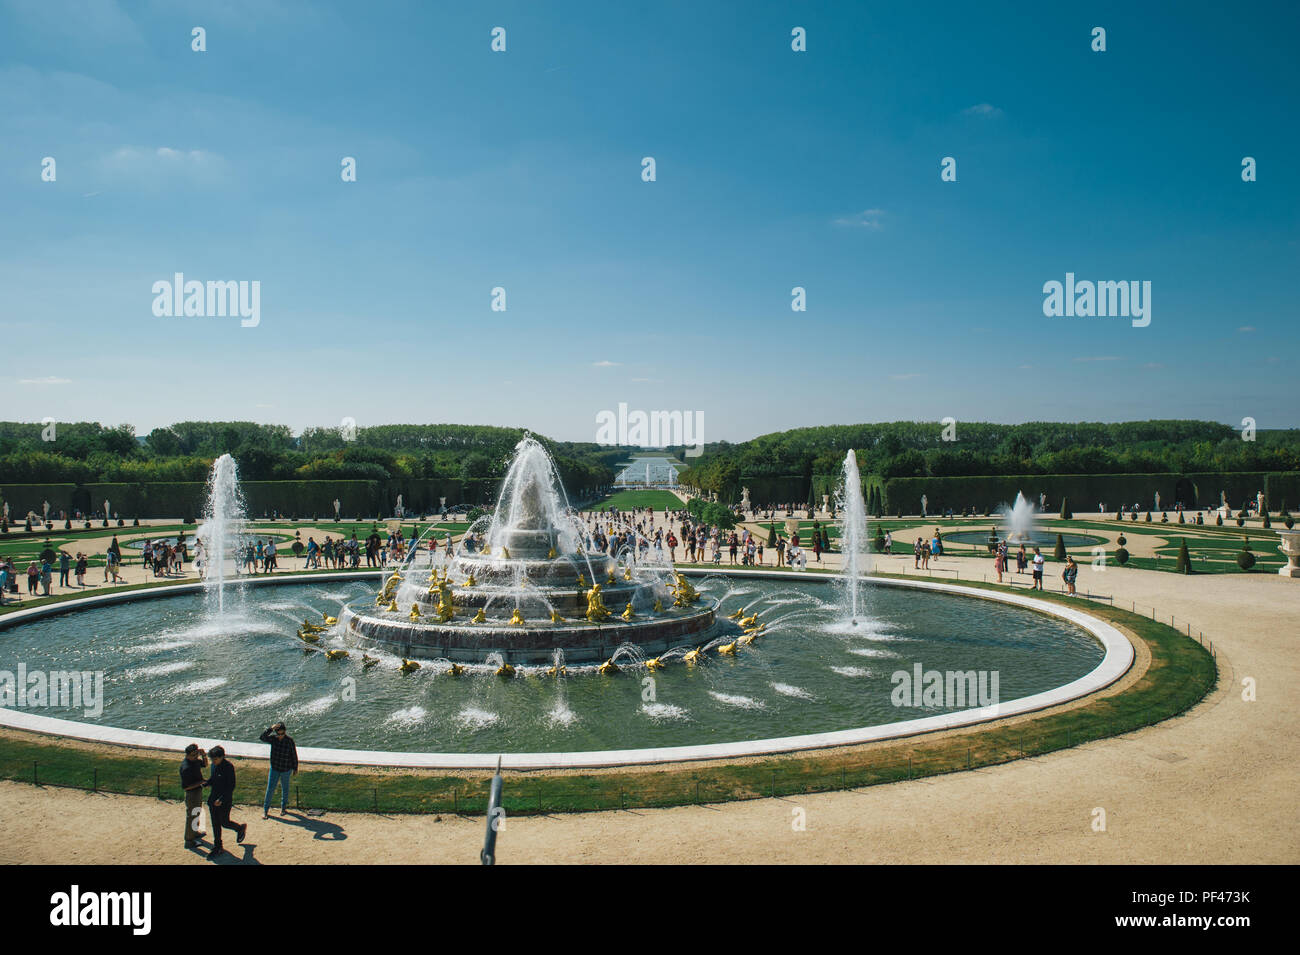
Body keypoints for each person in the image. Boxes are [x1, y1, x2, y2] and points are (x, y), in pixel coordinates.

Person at [204, 745, 246, 858]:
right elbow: (213, 778)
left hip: (225, 800)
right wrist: (207, 783)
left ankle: (239, 828)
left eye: (215, 759)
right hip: (213, 799)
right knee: (215, 823)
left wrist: (221, 799)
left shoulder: (228, 767)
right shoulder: (213, 765)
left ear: (222, 757)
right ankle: (218, 847)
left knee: (224, 822)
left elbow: (231, 786)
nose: (213, 761)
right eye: (212, 759)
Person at [259, 722, 299, 818]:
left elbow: (293, 754)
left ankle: (283, 808)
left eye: (282, 734)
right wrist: (270, 729)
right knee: (270, 789)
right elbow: (262, 737)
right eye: (279, 734)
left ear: (285, 732)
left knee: (285, 789)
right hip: (275, 768)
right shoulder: (273, 739)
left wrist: (295, 767)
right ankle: (265, 810)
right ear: (276, 733)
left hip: (286, 769)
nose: (280, 736)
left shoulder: (290, 741)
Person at [180, 743, 209, 848]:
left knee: (196, 812)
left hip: (197, 791)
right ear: (187, 755)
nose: (195, 757)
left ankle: (195, 833)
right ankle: (189, 840)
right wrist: (201, 782)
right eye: (193, 755)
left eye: (196, 754)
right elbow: (186, 787)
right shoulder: (186, 767)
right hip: (191, 794)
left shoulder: (195, 761)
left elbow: (205, 765)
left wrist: (204, 755)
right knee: (191, 816)